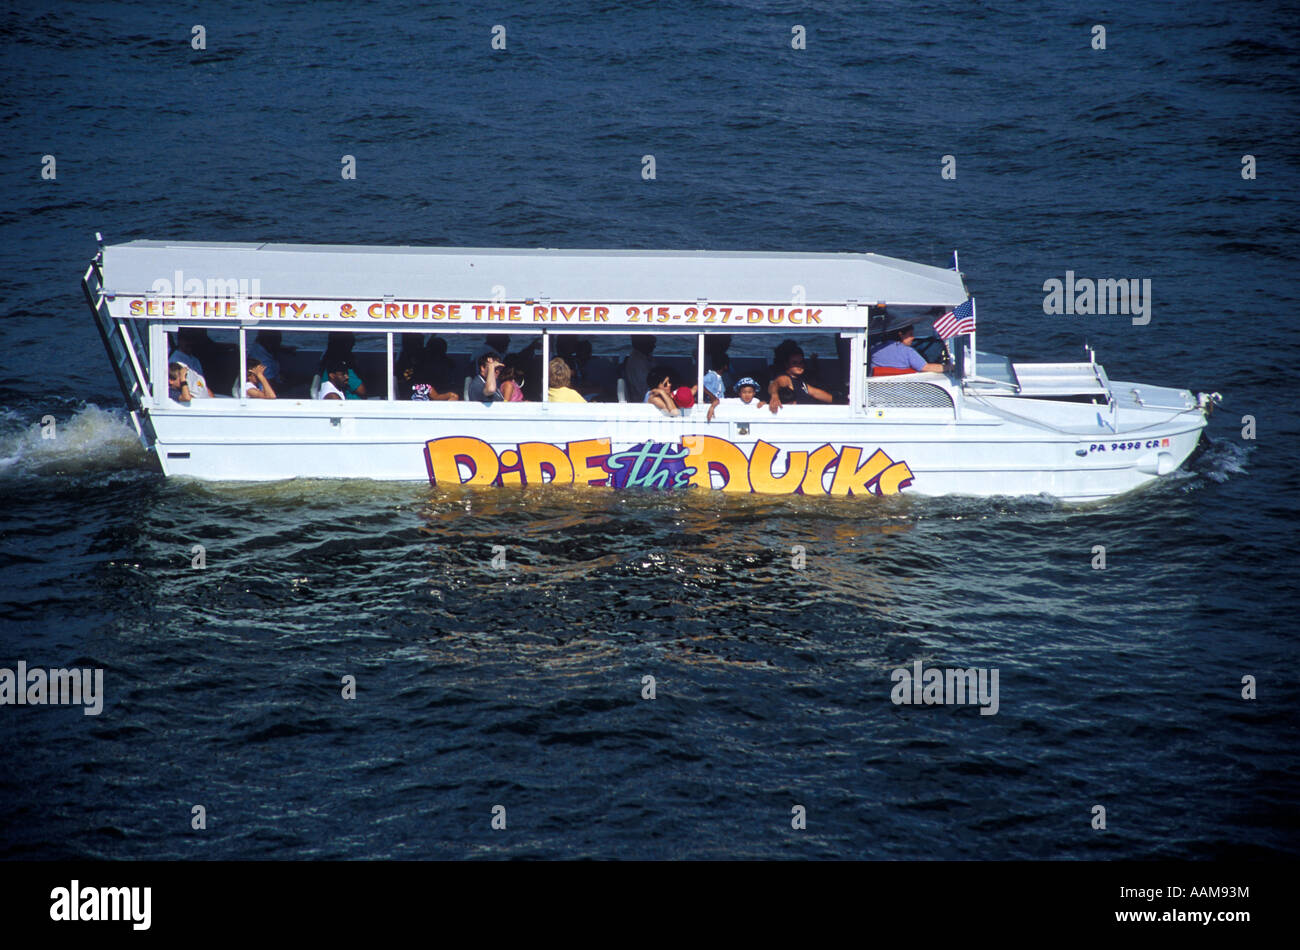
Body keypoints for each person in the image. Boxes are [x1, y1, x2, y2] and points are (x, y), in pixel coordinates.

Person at [767, 347, 833, 413]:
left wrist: (838, 400)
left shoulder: (800, 382)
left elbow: (816, 393)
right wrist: (774, 395)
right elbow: (775, 384)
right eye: (794, 363)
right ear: (787, 364)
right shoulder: (785, 378)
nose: (799, 365)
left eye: (801, 362)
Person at [870, 324, 945, 375]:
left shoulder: (874, 349)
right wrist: (951, 367)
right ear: (900, 335)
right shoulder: (907, 351)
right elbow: (926, 368)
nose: (913, 337)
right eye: (910, 334)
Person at [623, 335, 656, 402]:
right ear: (643, 344)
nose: (654, 346)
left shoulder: (644, 357)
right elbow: (644, 390)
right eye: (651, 344)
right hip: (642, 399)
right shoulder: (637, 363)